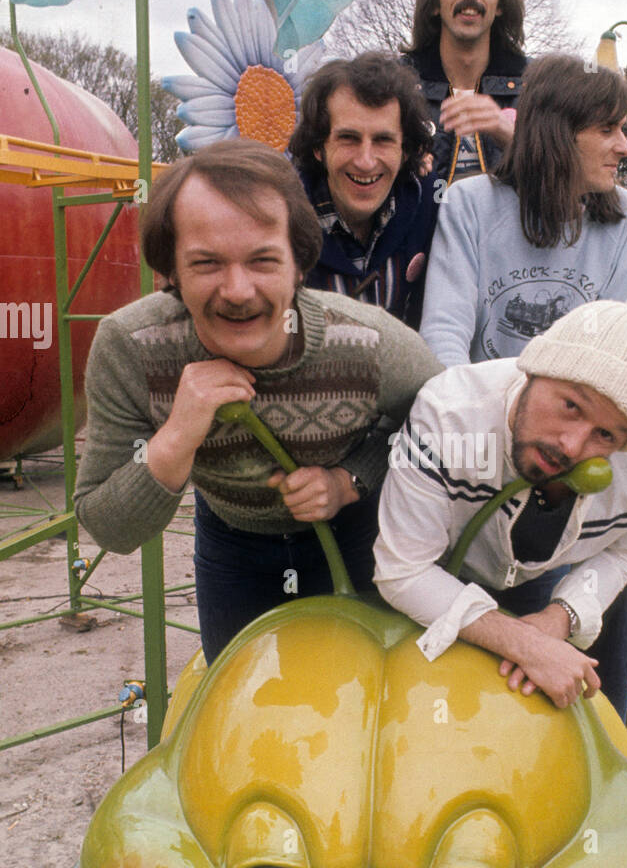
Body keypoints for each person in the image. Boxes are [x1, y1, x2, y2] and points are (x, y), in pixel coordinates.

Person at [74, 139, 441, 664]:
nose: (238, 290)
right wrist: (179, 432)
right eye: (206, 263)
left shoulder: (370, 343)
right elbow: (108, 525)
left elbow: (444, 441)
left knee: (364, 704)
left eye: (263, 260)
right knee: (247, 704)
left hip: (357, 536)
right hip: (232, 544)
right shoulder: (129, 348)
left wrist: (350, 478)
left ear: (299, 262)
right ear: (170, 271)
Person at [373, 294, 627, 720]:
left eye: (606, 436)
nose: (572, 446)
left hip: (539, 578)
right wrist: (524, 643)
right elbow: (403, 570)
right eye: (570, 406)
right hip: (441, 573)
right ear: (534, 368)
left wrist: (561, 618)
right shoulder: (448, 413)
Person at [419, 56, 627, 368]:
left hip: (578, 411)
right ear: (558, 134)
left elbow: (623, 346)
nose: (625, 147)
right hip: (482, 406)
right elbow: (444, 332)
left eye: (621, 129)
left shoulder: (626, 214)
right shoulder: (469, 203)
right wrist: (466, 409)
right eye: (607, 130)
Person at [288, 53, 438, 325]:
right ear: (318, 146)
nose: (366, 161)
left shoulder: (430, 205)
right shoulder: (279, 218)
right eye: (348, 138)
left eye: (383, 140)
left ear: (406, 150)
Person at [402, 0, 528, 186]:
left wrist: (511, 138)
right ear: (434, 1)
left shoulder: (535, 88)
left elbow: (568, 182)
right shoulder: (398, 86)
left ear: (501, 2)